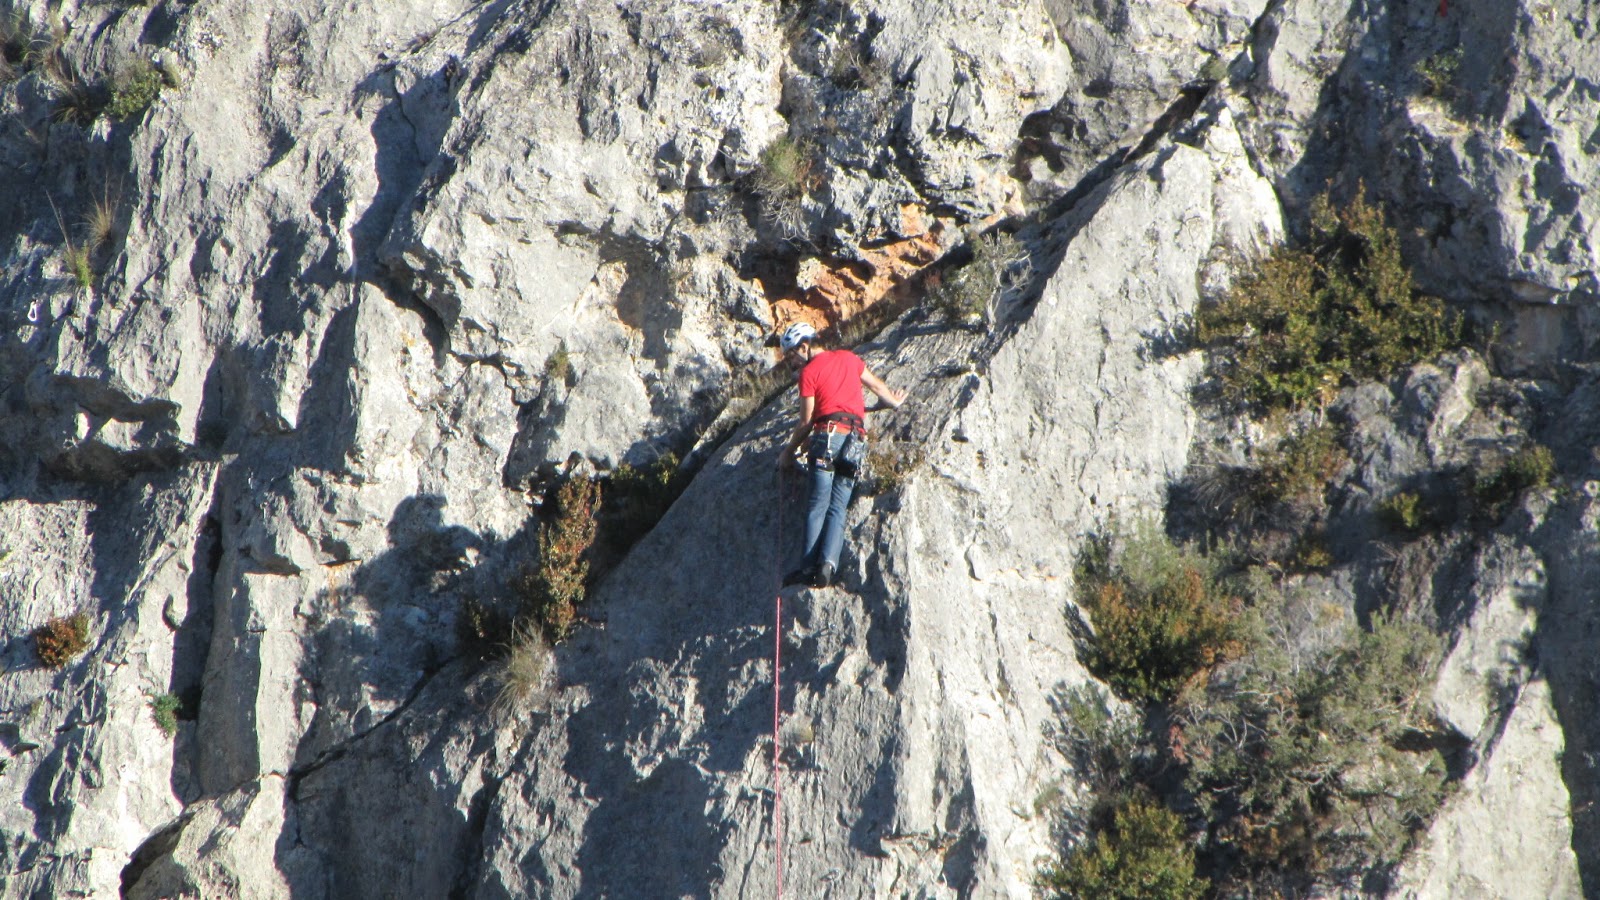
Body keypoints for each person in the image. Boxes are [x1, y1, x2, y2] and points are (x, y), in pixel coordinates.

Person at [775, 322, 906, 588]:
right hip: (855, 439)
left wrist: (788, 453)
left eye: (791, 354)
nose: (790, 361)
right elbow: (880, 389)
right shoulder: (849, 358)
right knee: (838, 506)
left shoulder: (809, 372)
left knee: (817, 504)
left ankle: (808, 567)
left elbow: (805, 421)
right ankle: (827, 566)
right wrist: (891, 402)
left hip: (827, 437)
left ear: (804, 346)